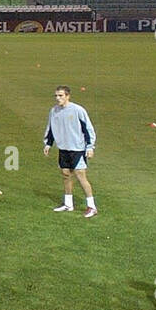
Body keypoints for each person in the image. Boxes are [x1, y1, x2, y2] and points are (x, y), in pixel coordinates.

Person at [43, 85, 98, 217]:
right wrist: (48, 144)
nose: (57, 98)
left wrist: (90, 147)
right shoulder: (54, 111)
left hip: (77, 149)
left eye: (60, 95)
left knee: (80, 176)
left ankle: (92, 206)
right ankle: (68, 204)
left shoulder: (78, 110)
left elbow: (88, 129)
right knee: (66, 174)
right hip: (63, 148)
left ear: (68, 96)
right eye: (56, 96)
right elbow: (51, 128)